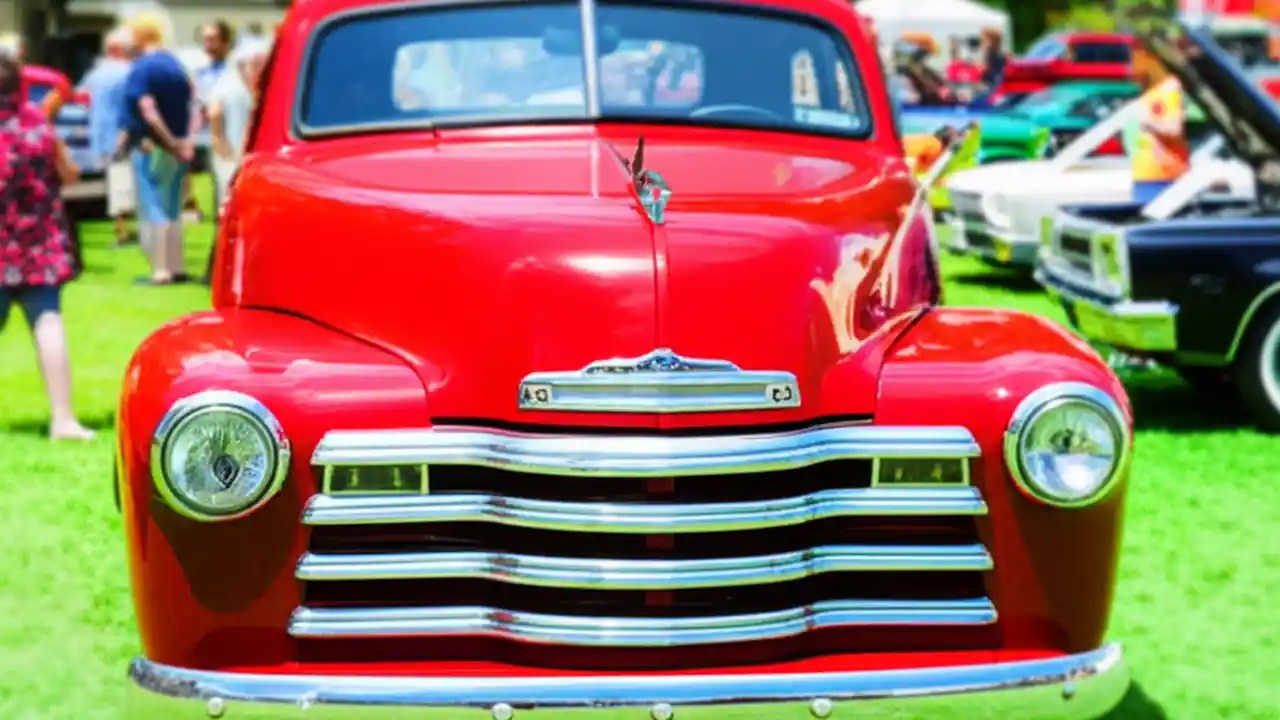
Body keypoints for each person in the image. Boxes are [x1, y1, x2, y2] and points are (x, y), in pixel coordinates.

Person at [0, 53, 96, 440]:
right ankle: (64, 420)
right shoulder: (38, 123)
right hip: (39, 246)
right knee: (48, 322)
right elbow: (68, 174)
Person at [118, 12, 200, 285]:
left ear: (141, 36)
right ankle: (177, 267)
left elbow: (147, 109)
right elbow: (194, 104)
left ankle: (160, 270)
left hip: (151, 146)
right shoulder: (176, 65)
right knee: (173, 205)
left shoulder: (142, 68)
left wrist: (167, 140)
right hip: (180, 147)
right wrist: (185, 140)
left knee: (154, 204)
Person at [78, 26, 136, 246]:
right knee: (123, 182)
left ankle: (122, 229)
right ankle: (124, 230)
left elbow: (81, 95)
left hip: (101, 134)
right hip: (124, 134)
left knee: (117, 182)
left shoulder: (97, 72)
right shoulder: (130, 71)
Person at [1125, 39, 1189, 204]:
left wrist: (1146, 122)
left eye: (1134, 58)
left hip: (1164, 176)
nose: (1130, 66)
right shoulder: (1148, 91)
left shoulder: (1169, 87)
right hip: (1144, 175)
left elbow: (1173, 128)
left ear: (1150, 58)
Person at [191, 20, 234, 220]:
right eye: (205, 39)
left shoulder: (234, 72)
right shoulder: (201, 74)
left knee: (226, 183)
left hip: (228, 136)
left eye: (212, 39)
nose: (207, 44)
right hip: (203, 136)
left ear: (225, 42)